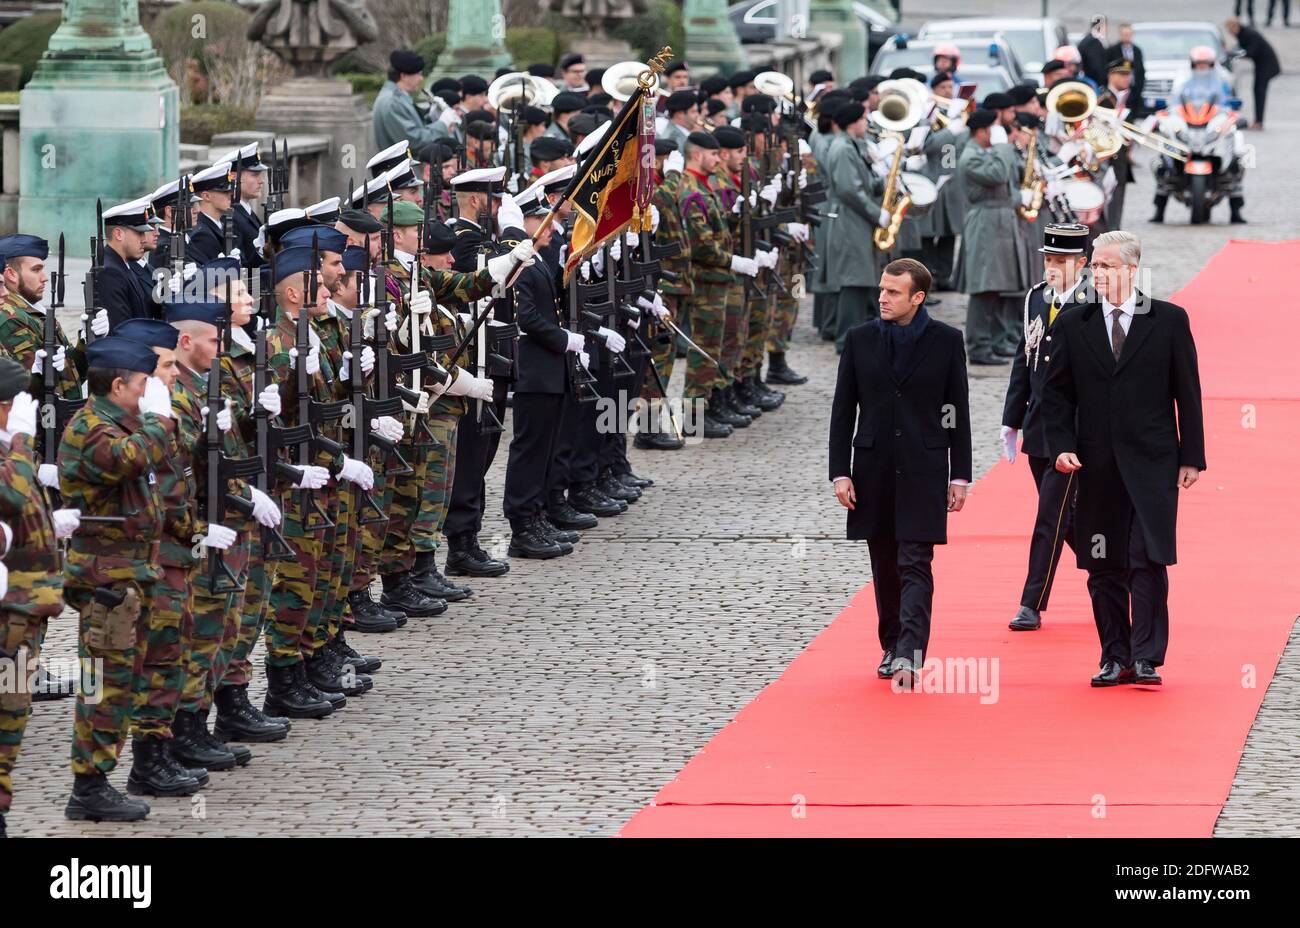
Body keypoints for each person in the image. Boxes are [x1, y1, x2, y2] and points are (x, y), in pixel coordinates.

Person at [1041, 231, 1205, 687]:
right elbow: (1055, 395)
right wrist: (1061, 446)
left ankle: (1147, 655)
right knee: (1103, 562)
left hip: (1153, 462)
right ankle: (1115, 656)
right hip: (1094, 466)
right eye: (1095, 266)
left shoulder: (1169, 320)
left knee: (1145, 558)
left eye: (1108, 266)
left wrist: (1191, 456)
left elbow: (1186, 393)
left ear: (1132, 270)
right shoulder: (1075, 323)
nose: (1099, 273)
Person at [829, 258, 972, 689]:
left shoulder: (947, 341)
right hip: (872, 470)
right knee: (885, 564)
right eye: (881, 290)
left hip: (924, 467)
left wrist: (959, 475)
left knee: (915, 561)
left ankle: (910, 653)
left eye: (893, 292)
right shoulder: (859, 340)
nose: (883, 298)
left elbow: (956, 411)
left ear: (918, 297)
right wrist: (840, 472)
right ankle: (891, 644)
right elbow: (842, 411)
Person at [1000, 224, 1090, 632]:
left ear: (1082, 264)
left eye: (1062, 261)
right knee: (1069, 518)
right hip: (1038, 425)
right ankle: (1111, 569)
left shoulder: (1093, 304)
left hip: (1073, 432)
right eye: (1049, 260)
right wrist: (1011, 418)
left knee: (1050, 515)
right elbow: (1025, 356)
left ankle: (1031, 603)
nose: (1053, 267)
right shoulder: (1036, 298)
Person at [0, 360, 77, 836]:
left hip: (23, 615)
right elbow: (9, 497)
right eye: (20, 404)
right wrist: (24, 445)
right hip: (10, 615)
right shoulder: (14, 455)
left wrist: (49, 524)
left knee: (11, 721)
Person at [955, 108, 1027, 365]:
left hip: (999, 222)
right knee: (984, 288)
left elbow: (1006, 183)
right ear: (982, 131)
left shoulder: (986, 153)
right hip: (985, 224)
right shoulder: (971, 157)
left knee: (998, 288)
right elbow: (997, 174)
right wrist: (1004, 146)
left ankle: (995, 341)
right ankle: (978, 346)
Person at [373, 50, 454, 151]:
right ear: (404, 76)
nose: (421, 78)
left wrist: (430, 117)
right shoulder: (392, 101)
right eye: (418, 74)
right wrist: (442, 125)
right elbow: (413, 140)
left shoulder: (397, 97)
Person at [1225, 18, 1281, 128]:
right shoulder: (1243, 34)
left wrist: (1233, 54)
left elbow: (1250, 52)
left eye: (1231, 31)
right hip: (1261, 64)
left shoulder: (1248, 34)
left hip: (1267, 64)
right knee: (1257, 90)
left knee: (1259, 91)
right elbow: (1241, 49)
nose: (1231, 34)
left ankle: (1259, 122)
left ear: (1235, 27)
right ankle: (1258, 121)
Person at [1106, 22, 1146, 103]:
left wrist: (1140, 87)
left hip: (1134, 89)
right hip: (1118, 90)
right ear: (1120, 34)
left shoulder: (1137, 50)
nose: (1127, 36)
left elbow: (1141, 70)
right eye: (1124, 34)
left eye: (1128, 34)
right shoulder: (1112, 50)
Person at [1077, 15, 1110, 88]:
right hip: (1093, 85)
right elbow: (1096, 67)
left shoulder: (1088, 39)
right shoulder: (1093, 43)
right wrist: (1103, 84)